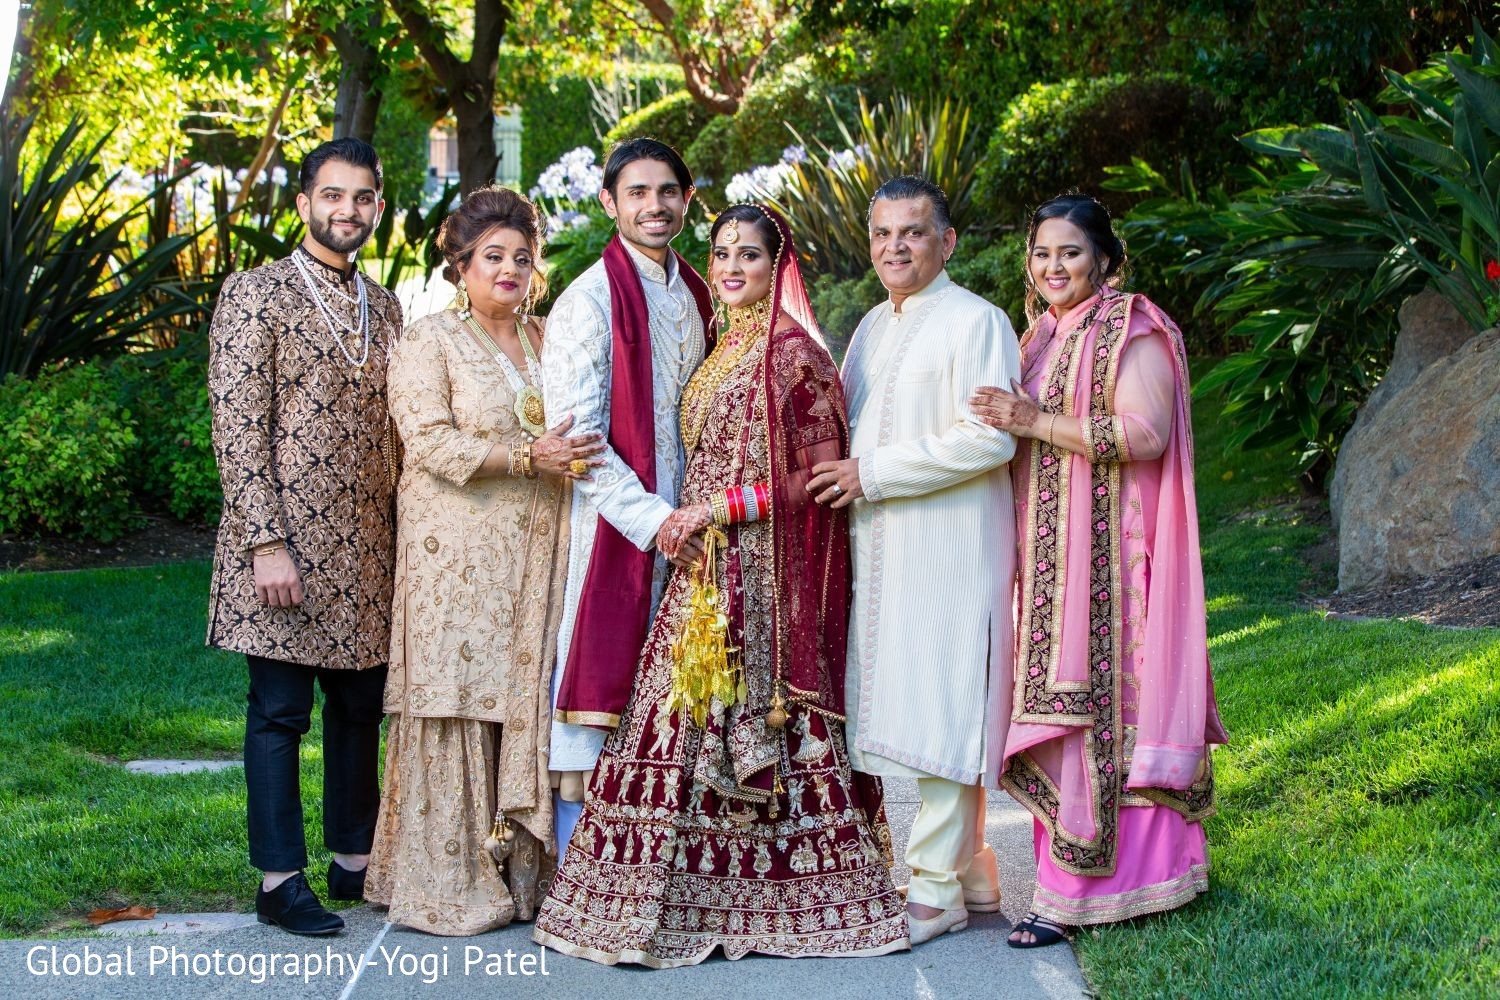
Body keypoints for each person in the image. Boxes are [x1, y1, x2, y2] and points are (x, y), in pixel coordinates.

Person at [532, 204, 908, 966]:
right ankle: (651, 897)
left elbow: (817, 480)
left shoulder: (795, 355)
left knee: (747, 714)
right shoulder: (722, 344)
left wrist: (721, 508)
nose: (733, 267)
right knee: (674, 717)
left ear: (778, 266)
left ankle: (790, 893)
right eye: (723, 253)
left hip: (762, 568)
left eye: (750, 255)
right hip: (701, 566)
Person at [969, 192, 1227, 947]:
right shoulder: (1039, 336)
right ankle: (1071, 881)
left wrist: (1032, 422)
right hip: (1052, 561)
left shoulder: (1131, 326)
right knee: (1061, 711)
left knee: (1103, 708)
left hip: (1111, 558)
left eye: (1070, 253)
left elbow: (1143, 432)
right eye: (1042, 253)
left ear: (1105, 260)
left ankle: (1090, 890)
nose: (1053, 266)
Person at [363, 187, 605, 935]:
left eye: (522, 257)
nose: (509, 269)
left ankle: (525, 878)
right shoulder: (428, 340)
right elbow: (428, 440)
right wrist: (528, 456)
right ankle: (450, 882)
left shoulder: (545, 337)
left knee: (523, 697)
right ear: (460, 264)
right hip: (455, 557)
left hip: (537, 554)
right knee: (459, 699)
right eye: (491, 257)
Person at [810, 175, 1021, 945]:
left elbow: (990, 438)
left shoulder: (979, 321)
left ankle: (935, 892)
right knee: (919, 698)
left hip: (952, 540)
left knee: (945, 701)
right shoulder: (872, 324)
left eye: (913, 233)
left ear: (947, 242)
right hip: (886, 541)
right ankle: (970, 870)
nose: (895, 247)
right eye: (883, 234)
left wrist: (873, 474)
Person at [207, 137, 402, 936]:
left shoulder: (385, 305)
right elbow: (236, 426)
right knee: (280, 713)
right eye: (332, 196)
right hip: (282, 545)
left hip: (367, 548)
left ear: (378, 209)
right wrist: (264, 541)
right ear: (303, 204)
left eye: (361, 198)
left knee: (360, 708)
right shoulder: (256, 294)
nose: (346, 211)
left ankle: (353, 863)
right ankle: (278, 881)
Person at [540, 139, 715, 858]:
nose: (655, 205)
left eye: (667, 191)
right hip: (618, 532)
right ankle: (583, 866)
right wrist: (657, 521)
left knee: (683, 694)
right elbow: (581, 446)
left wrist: (698, 515)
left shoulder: (697, 290)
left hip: (696, 529)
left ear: (687, 199)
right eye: (637, 192)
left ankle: (664, 864)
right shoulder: (588, 300)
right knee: (597, 707)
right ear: (609, 202)